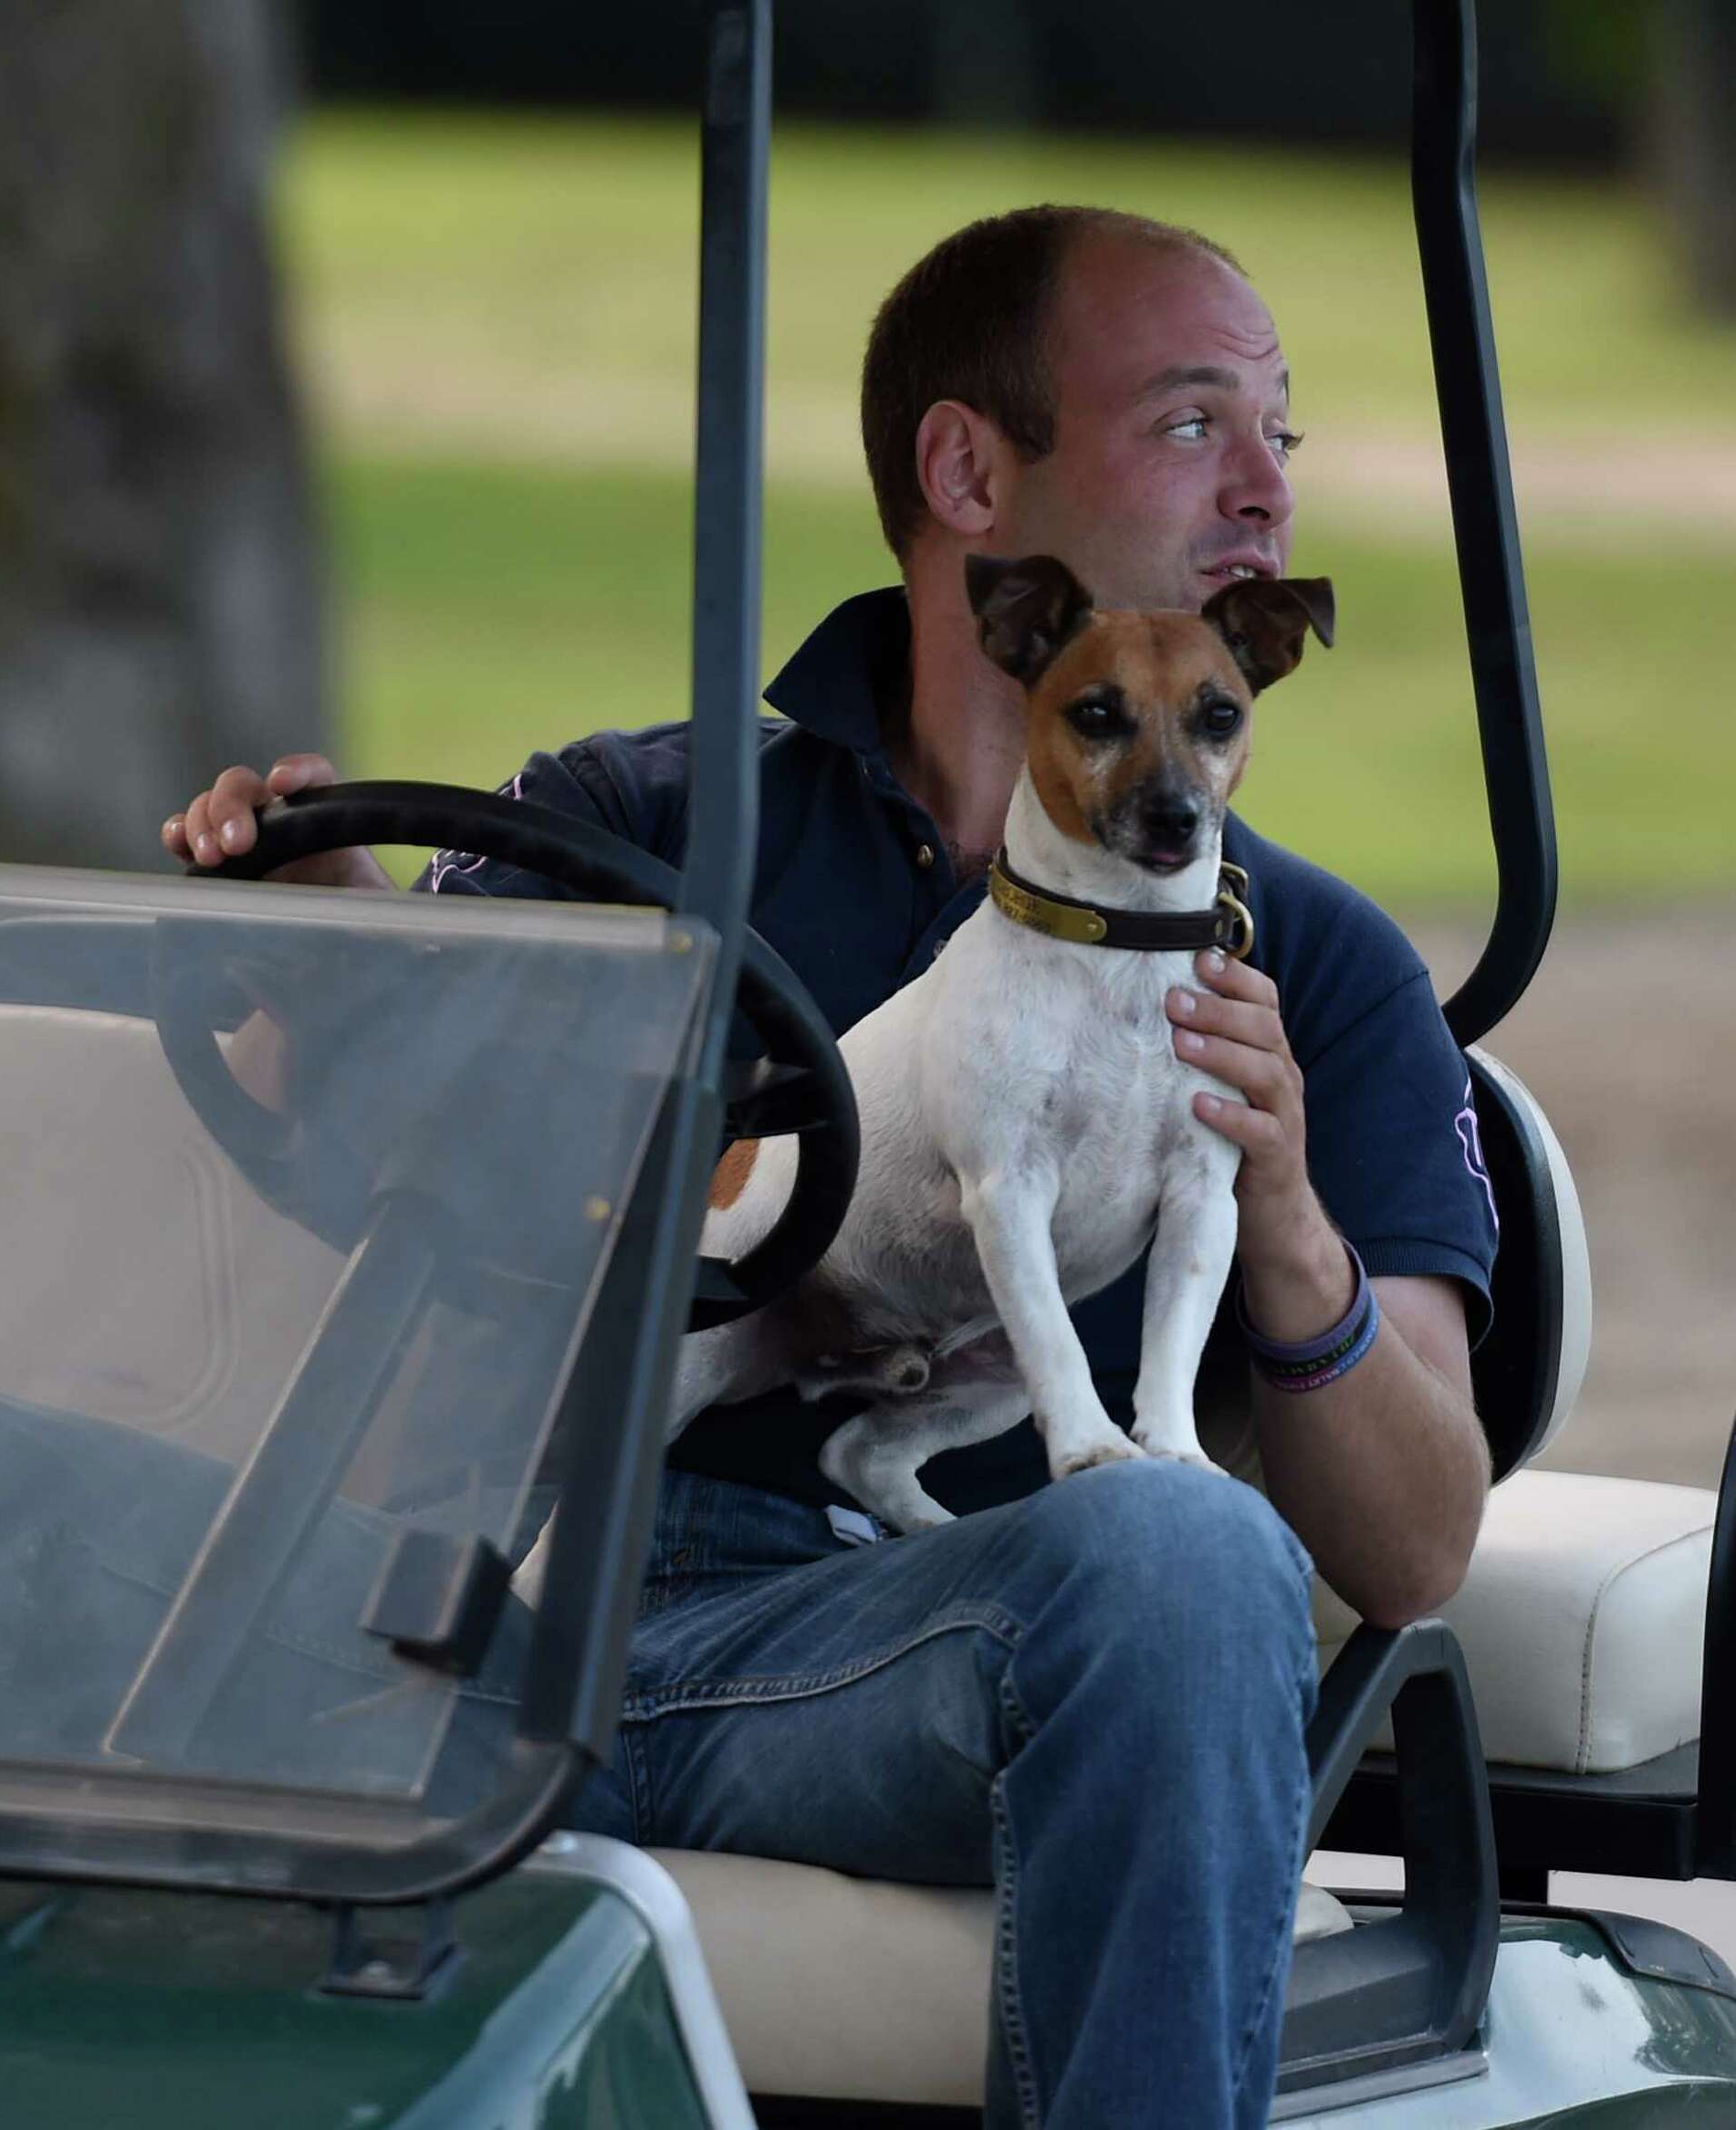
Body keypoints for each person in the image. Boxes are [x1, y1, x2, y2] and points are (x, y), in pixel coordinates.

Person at [164, 205, 1497, 2129]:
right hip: (512, 1610)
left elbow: (1419, 1544)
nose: (1269, 489)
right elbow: (399, 1170)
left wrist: (1281, 1208)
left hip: (915, 1648)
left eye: (1279, 431)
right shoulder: (643, 819)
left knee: (1193, 1550)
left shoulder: (1318, 969)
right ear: (969, 474)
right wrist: (327, 940)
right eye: (1196, 422)